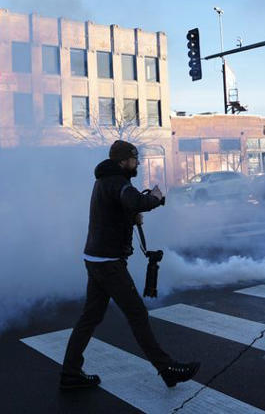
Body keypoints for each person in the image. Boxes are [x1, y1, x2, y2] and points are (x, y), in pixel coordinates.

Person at [60, 140, 200, 390]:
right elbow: (135, 201)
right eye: (135, 159)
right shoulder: (117, 181)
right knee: (137, 314)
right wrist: (155, 198)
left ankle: (70, 373)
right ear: (123, 160)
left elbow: (117, 208)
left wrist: (129, 215)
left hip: (96, 259)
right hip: (109, 263)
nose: (138, 163)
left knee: (90, 317)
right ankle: (167, 369)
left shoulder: (105, 180)